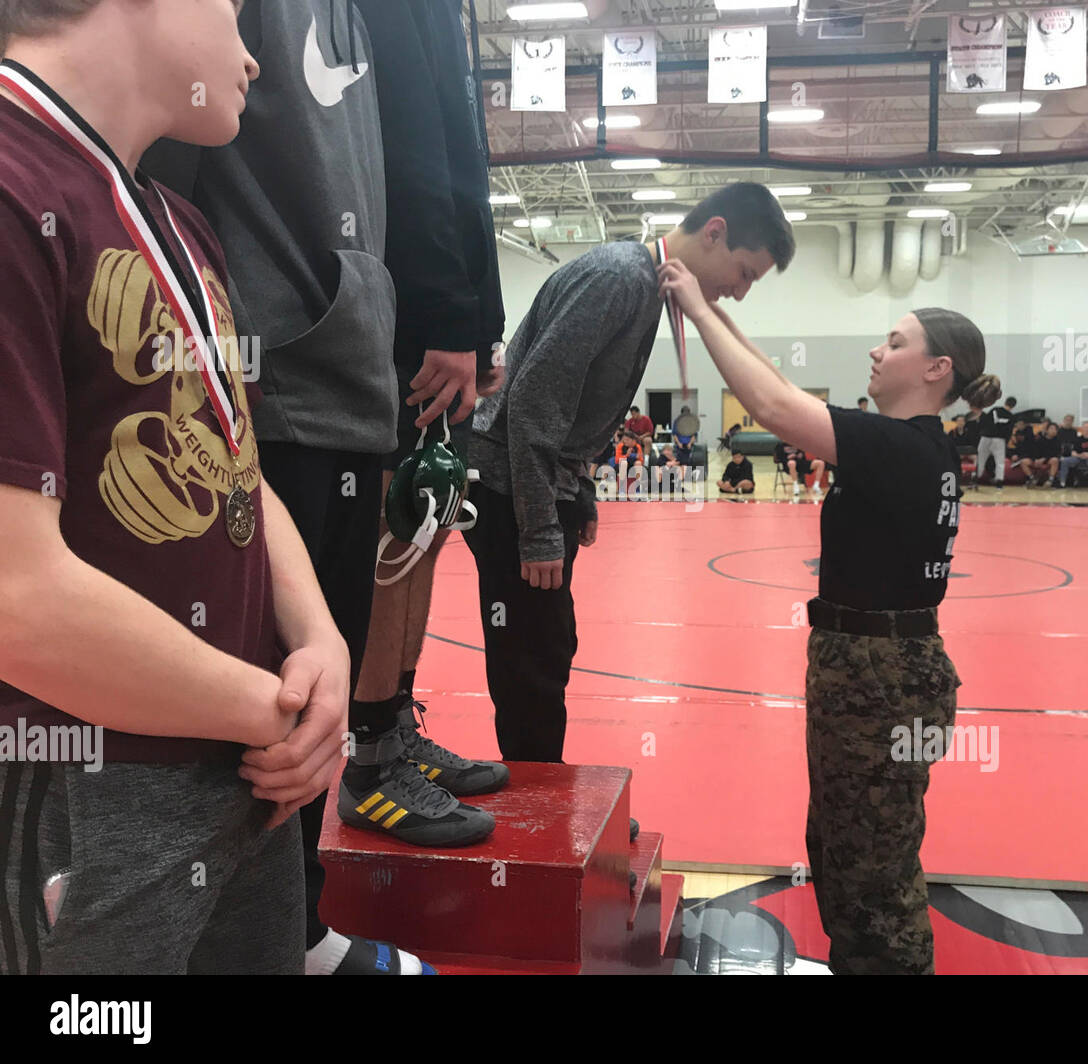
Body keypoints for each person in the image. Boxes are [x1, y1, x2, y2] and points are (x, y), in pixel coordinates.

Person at [0, 0, 344, 974]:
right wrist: (275, 707)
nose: (253, 57)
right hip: (89, 782)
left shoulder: (180, 221)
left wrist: (318, 639)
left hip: (241, 759)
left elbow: (237, 463)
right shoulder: (13, 189)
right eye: (235, 9)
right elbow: (13, 597)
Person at [141, 0, 439, 977]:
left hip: (332, 376)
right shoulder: (60, 196)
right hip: (267, 376)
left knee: (308, 687)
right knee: (229, 753)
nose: (239, 51)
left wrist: (318, 647)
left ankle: (295, 926)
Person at [661, 264, 997, 974]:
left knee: (872, 867)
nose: (878, 351)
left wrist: (693, 307)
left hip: (882, 679)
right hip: (875, 670)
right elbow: (775, 381)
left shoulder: (899, 447)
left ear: (936, 369)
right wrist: (712, 313)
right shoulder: (908, 443)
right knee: (848, 847)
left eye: (895, 342)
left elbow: (776, 408)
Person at [465, 182, 794, 764]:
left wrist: (582, 490)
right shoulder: (620, 277)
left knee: (551, 644)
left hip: (543, 482)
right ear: (714, 232)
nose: (739, 293)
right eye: (744, 273)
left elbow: (583, 405)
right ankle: (535, 805)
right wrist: (540, 527)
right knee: (531, 655)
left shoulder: (647, 289)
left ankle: (542, 785)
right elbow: (535, 401)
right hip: (508, 486)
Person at [345, 0, 510, 865]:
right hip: (408, 310)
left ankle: (395, 728)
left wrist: (483, 325)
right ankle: (369, 755)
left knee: (427, 523)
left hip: (445, 315)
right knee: (395, 527)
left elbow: (465, 174)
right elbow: (412, 151)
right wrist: (449, 316)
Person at [975, 394, 1014, 489]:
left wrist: (982, 432)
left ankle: (975, 479)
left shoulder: (994, 410)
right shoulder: (1011, 417)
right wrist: (1006, 442)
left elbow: (985, 421)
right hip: (999, 439)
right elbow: (1009, 431)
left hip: (986, 437)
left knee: (981, 458)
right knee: (999, 461)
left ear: (1005, 402)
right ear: (1013, 406)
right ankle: (999, 482)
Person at [1057, 420, 1088, 489]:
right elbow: (1073, 453)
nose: (1086, 429)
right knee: (1064, 460)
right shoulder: (1078, 439)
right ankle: (1062, 483)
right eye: (1084, 427)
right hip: (1079, 458)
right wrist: (1080, 455)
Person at [1018, 422, 1060, 487]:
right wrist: (1035, 459)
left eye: (1055, 429)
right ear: (1047, 430)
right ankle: (1032, 478)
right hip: (1037, 460)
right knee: (1023, 461)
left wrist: (1044, 459)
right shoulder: (1039, 439)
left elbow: (1055, 453)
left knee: (1055, 460)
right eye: (1051, 428)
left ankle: (1050, 480)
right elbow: (1033, 450)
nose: (1053, 430)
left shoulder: (1057, 441)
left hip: (1048, 460)